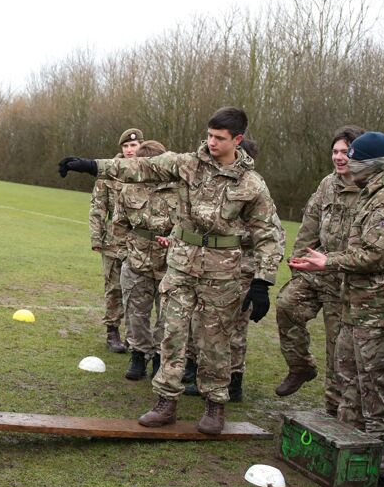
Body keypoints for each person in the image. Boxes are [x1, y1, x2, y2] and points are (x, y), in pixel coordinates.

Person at [58, 107, 282, 434]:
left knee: (214, 340)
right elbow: (141, 166)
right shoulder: (187, 164)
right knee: (172, 333)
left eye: (220, 138)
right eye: (209, 135)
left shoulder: (251, 184)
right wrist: (93, 166)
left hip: (222, 273)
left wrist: (263, 281)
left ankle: (215, 405)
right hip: (180, 265)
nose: (212, 143)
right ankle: (165, 402)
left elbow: (269, 234)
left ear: (238, 139)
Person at [289, 131, 384, 477]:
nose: (346, 164)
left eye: (353, 159)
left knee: (374, 385)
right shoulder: (370, 191)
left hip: (376, 309)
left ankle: (377, 463)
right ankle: (351, 454)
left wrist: (329, 262)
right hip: (355, 303)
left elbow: (374, 255)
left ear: (370, 164)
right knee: (348, 379)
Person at [182, 139, 286, 402]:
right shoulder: (218, 192)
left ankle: (234, 382)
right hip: (217, 269)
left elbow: (274, 238)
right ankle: (199, 373)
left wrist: (261, 281)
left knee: (235, 332)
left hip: (244, 272)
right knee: (205, 326)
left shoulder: (253, 192)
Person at [272, 126, 365, 414]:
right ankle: (300, 367)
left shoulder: (370, 189)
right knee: (287, 305)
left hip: (349, 280)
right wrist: (299, 263)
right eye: (335, 151)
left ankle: (333, 412)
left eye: (345, 152)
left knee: (339, 352)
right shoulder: (327, 184)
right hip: (317, 272)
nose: (338, 157)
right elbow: (310, 224)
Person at [110, 140, 177, 380]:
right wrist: (123, 254)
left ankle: (159, 358)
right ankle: (138, 355)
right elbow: (119, 223)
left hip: (171, 265)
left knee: (166, 317)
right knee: (135, 314)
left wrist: (176, 243)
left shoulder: (180, 189)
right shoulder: (130, 188)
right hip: (137, 261)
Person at [90, 128, 143, 353]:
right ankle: (112, 331)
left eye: (134, 145)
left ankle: (136, 336)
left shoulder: (152, 170)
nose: (130, 150)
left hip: (142, 242)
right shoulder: (110, 172)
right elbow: (98, 206)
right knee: (114, 287)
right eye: (126, 146)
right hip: (114, 240)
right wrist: (96, 236)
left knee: (139, 290)